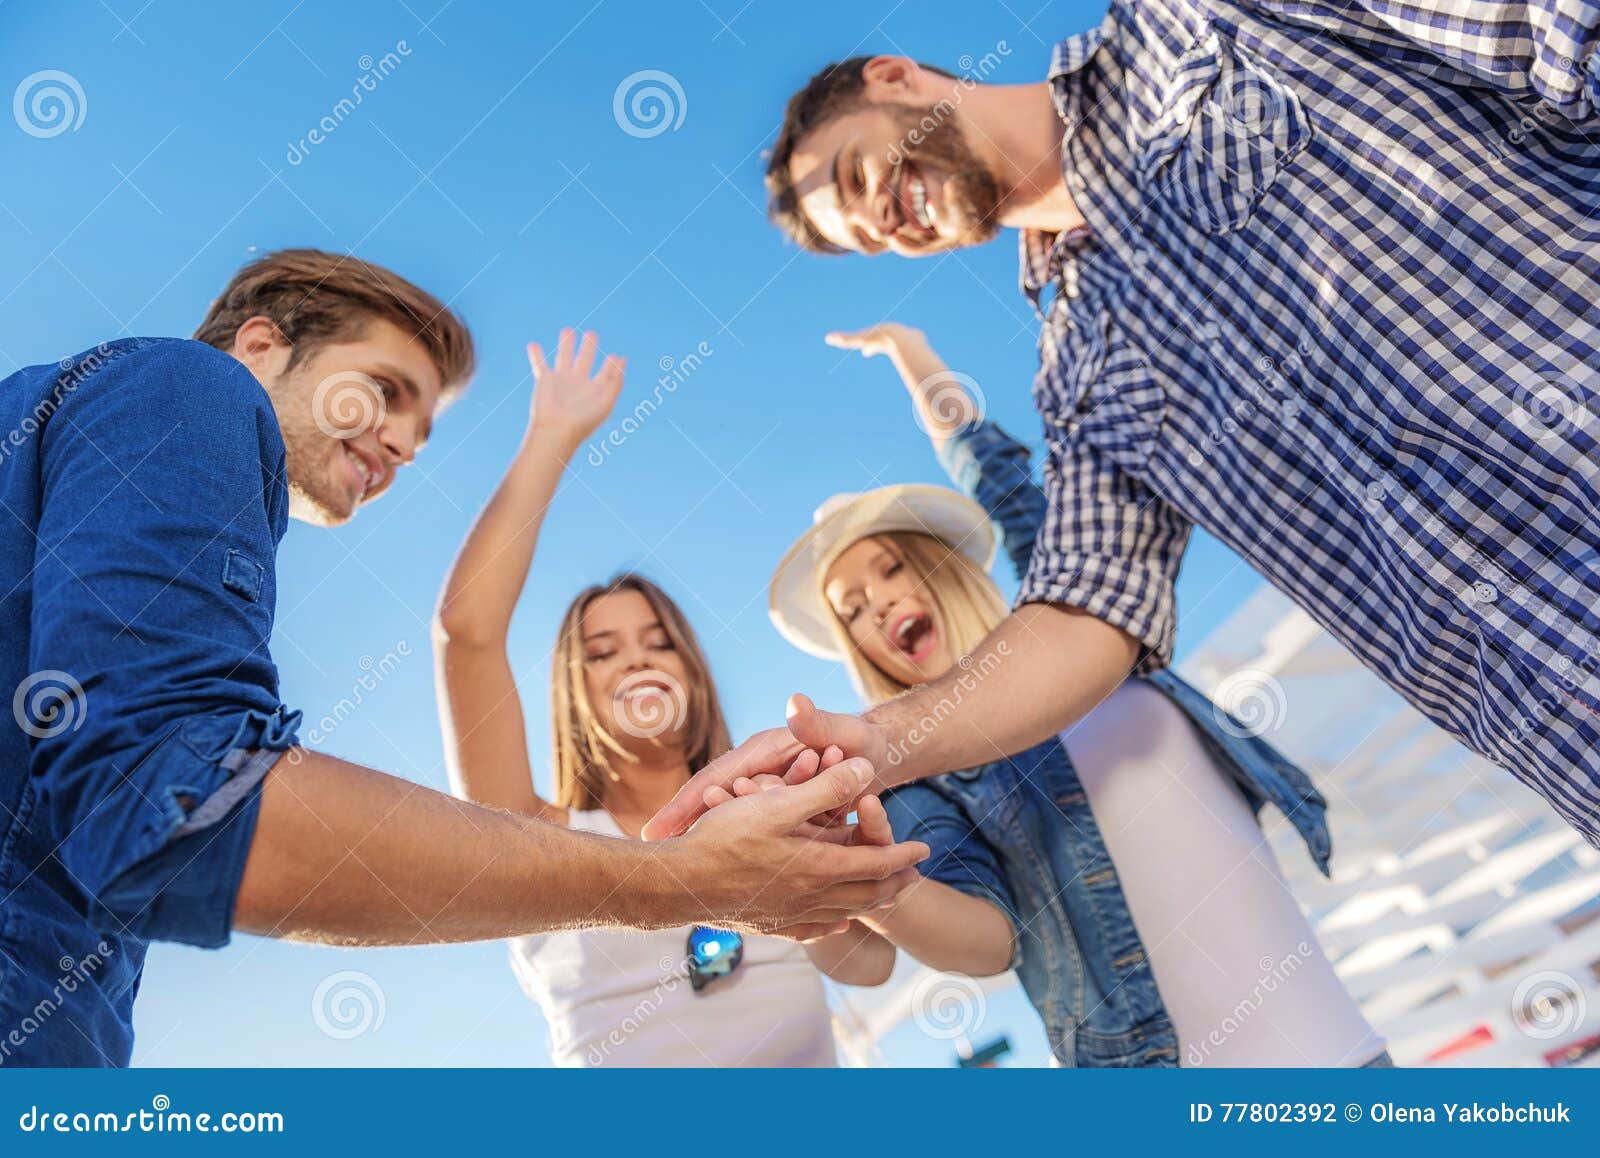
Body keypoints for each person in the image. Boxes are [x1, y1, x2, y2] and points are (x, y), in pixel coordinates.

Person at [649, 1, 1600, 847]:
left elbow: (1552, 29)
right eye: (869, 240)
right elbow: (1087, 609)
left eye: (862, 174)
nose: (889, 220)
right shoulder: (1080, 374)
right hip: (1564, 717)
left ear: (895, 79)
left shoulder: (1201, 22)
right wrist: (879, 743)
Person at [0, 252, 926, 1067]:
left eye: (422, 428)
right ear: (260, 347)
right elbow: (166, 797)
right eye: (387, 389)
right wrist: (686, 880)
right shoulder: (193, 389)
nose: (403, 442)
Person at [748, 322, 1386, 1066]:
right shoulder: (916, 777)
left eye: (889, 570)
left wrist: (911, 353)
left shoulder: (1086, 616)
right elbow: (988, 941)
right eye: (852, 611)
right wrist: (868, 880)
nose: (878, 608)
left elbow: (996, 474)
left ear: (943, 565)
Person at [434, 330, 840, 1066]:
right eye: (603, 651)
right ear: (574, 690)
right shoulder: (537, 840)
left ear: (689, 670)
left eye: (657, 643)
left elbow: (870, 960)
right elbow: (467, 635)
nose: (637, 664)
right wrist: (552, 437)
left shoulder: (776, 816)